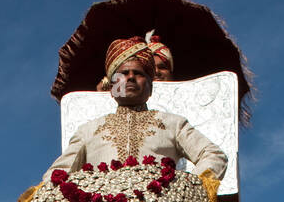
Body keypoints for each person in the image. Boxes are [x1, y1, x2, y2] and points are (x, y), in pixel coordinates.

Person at [46, 37, 227, 184]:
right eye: (123, 74)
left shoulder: (173, 124)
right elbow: (56, 175)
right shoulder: (89, 130)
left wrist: (189, 188)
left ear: (150, 86)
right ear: (112, 86)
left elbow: (213, 155)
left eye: (139, 74)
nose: (131, 77)